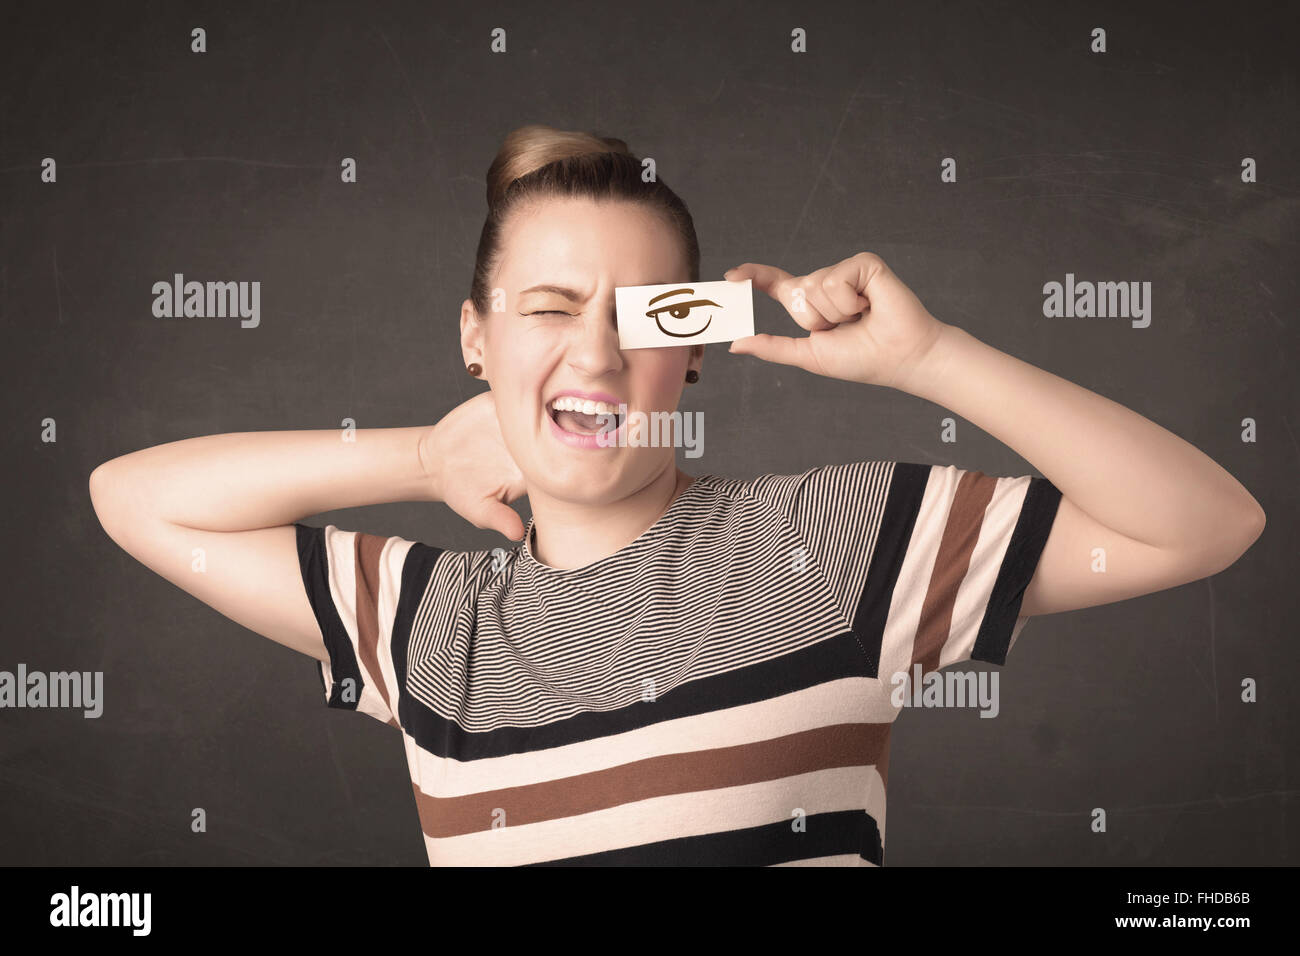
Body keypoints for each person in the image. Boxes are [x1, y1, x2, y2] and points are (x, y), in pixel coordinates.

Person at [88, 124, 1265, 866]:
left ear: (691, 353)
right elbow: (135, 499)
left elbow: (1207, 524)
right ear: (475, 338)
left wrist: (929, 358)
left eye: (641, 317)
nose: (596, 355)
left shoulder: (830, 544)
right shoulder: (425, 628)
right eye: (547, 309)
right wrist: (423, 458)